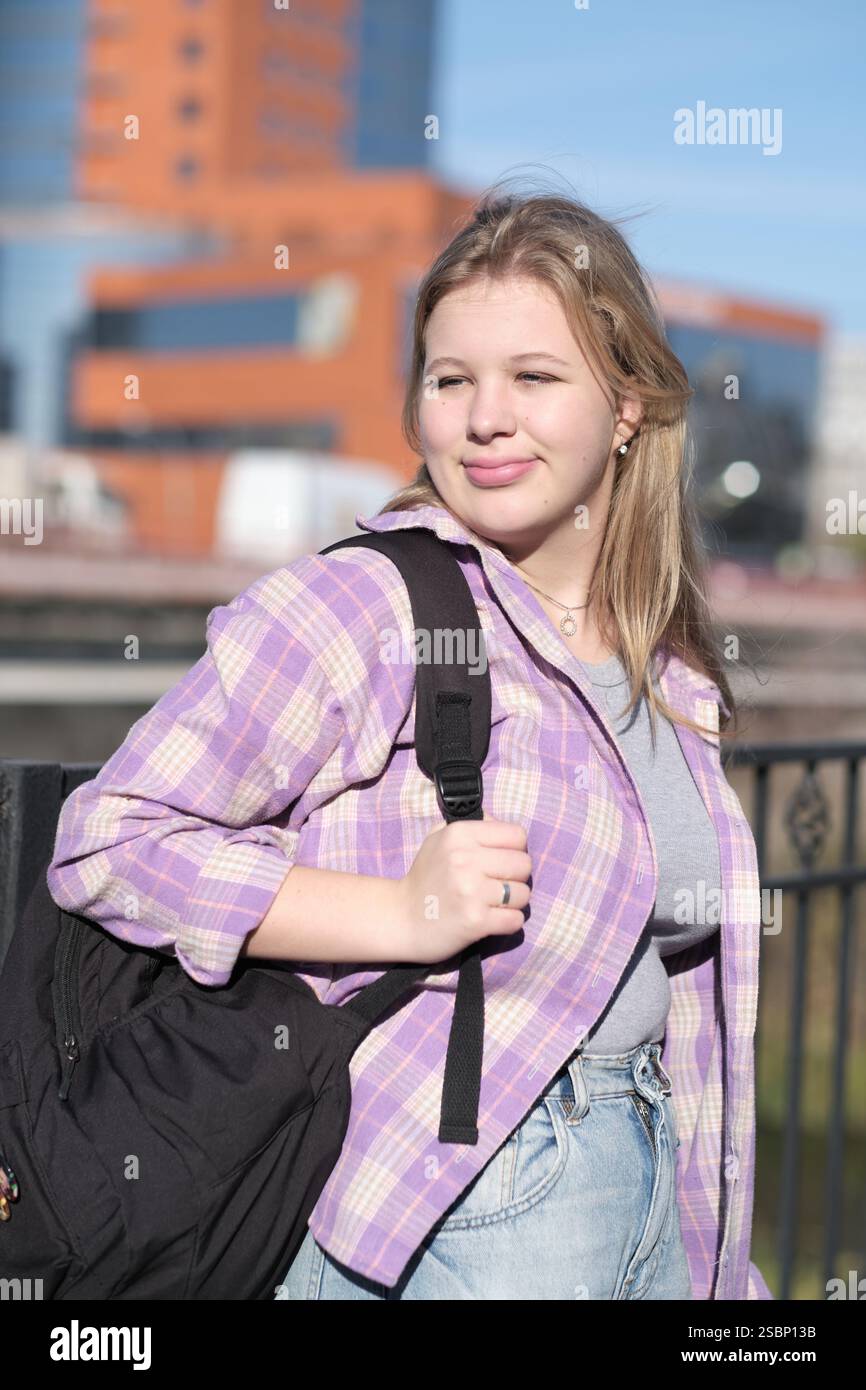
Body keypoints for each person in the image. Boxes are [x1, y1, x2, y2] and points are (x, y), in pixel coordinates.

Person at [47, 183, 772, 1301]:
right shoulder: (366, 606)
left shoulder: (664, 662)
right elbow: (110, 840)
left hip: (649, 1176)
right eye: (450, 379)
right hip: (466, 1209)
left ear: (628, 403)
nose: (484, 418)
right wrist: (394, 913)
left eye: (534, 377)